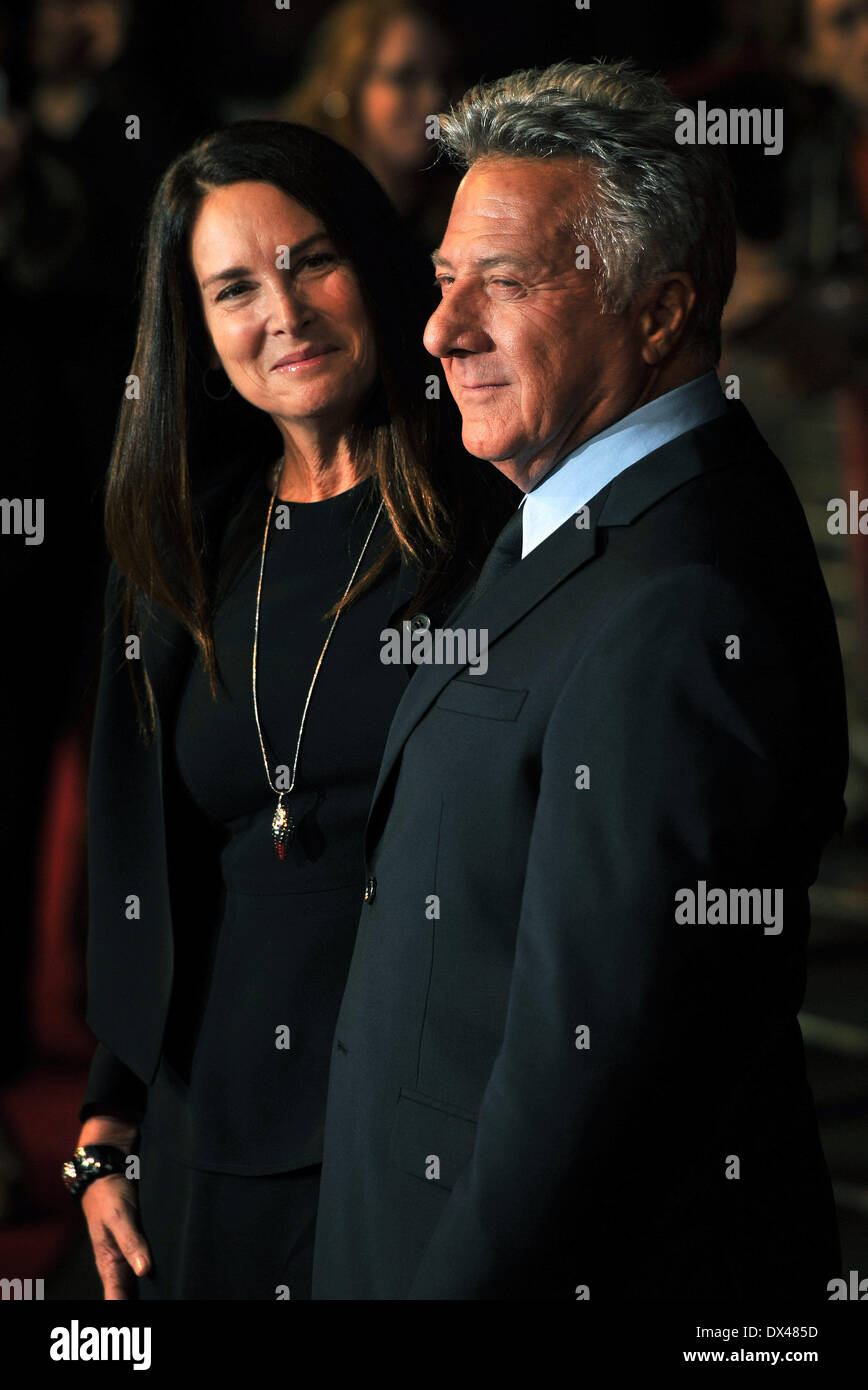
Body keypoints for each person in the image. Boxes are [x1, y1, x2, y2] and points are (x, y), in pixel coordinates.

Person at [311, 59, 850, 1300]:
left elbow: (590, 1086)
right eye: (446, 279)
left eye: (502, 281)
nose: (442, 327)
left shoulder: (682, 606)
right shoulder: (581, 490)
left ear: (659, 314)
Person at [67, 118, 510, 1300]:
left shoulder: (489, 513)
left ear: (372, 262)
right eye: (233, 288)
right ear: (200, 333)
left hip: (418, 1110)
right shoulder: (178, 544)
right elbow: (148, 856)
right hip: (208, 1118)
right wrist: (110, 1111)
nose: (285, 312)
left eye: (312, 261)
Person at [274, 0, 462, 255]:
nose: (435, 98)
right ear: (342, 83)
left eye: (444, 77)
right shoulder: (297, 211)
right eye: (405, 77)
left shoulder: (459, 213)